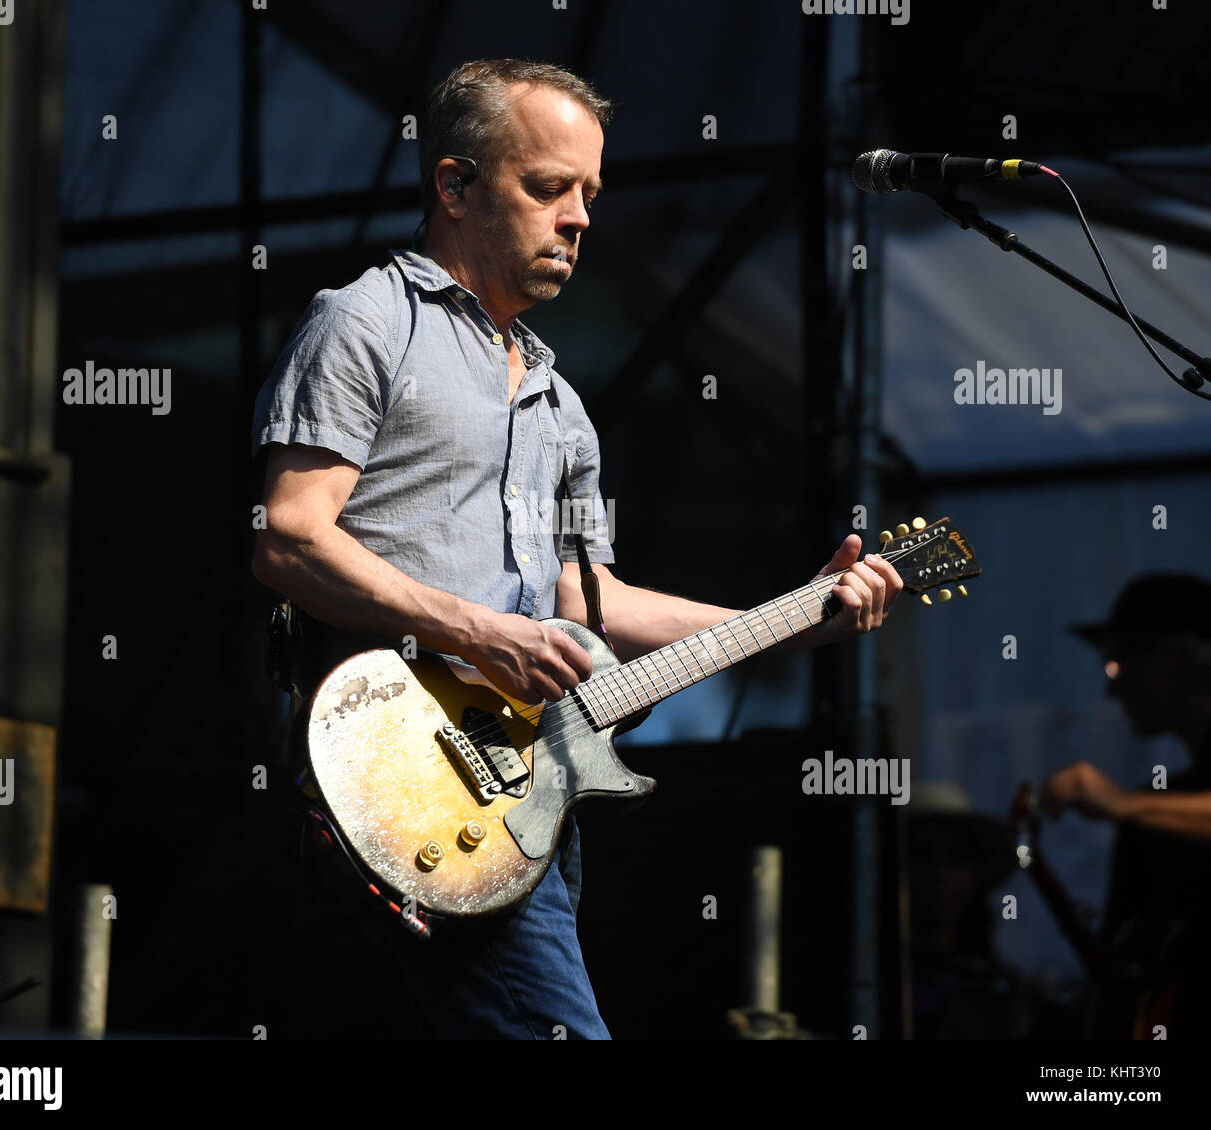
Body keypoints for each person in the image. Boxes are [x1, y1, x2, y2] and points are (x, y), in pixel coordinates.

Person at [249, 58, 903, 1040]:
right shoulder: (365, 322)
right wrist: (482, 630)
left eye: (590, 193)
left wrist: (794, 617)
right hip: (389, 773)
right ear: (456, 186)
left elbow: (585, 596)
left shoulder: (561, 407)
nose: (580, 217)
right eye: (549, 187)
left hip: (523, 795)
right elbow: (289, 539)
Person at [1041, 573, 1211, 1036]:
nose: (1112, 691)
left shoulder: (1149, 809)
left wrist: (1123, 804)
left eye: (1119, 664)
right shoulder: (1161, 806)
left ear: (1183, 655)